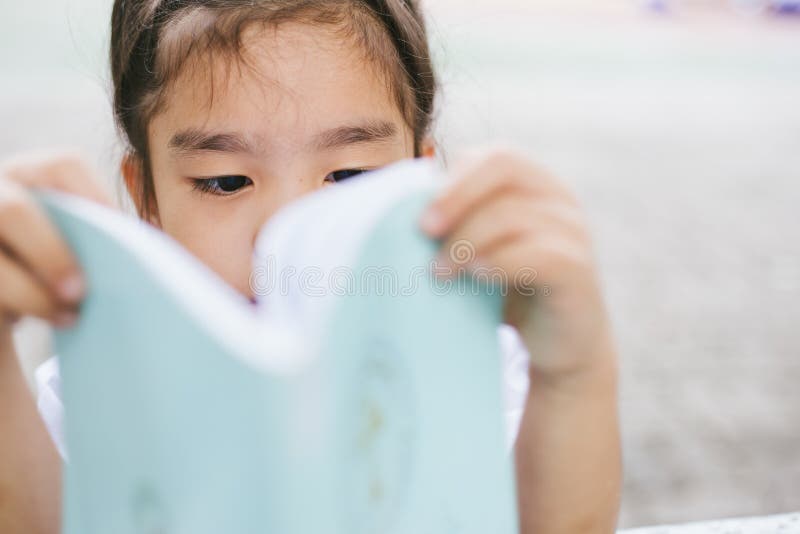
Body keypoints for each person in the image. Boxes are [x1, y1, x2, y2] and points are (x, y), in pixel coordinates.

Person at [0, 1, 621, 533]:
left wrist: (572, 372)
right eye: (225, 181)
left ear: (424, 182)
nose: (283, 237)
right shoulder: (100, 397)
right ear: (149, 203)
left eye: (348, 176)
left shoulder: (478, 377)